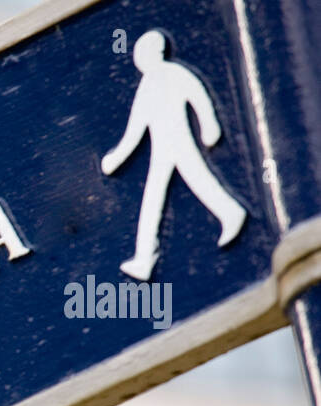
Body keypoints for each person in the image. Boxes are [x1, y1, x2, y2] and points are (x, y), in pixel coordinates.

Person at [102, 29, 247, 281]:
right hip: (164, 148)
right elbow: (136, 129)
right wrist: (117, 159)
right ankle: (145, 259)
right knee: (159, 196)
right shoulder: (148, 84)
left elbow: (198, 96)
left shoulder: (173, 73)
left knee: (183, 185)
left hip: (178, 141)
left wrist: (210, 127)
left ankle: (231, 213)